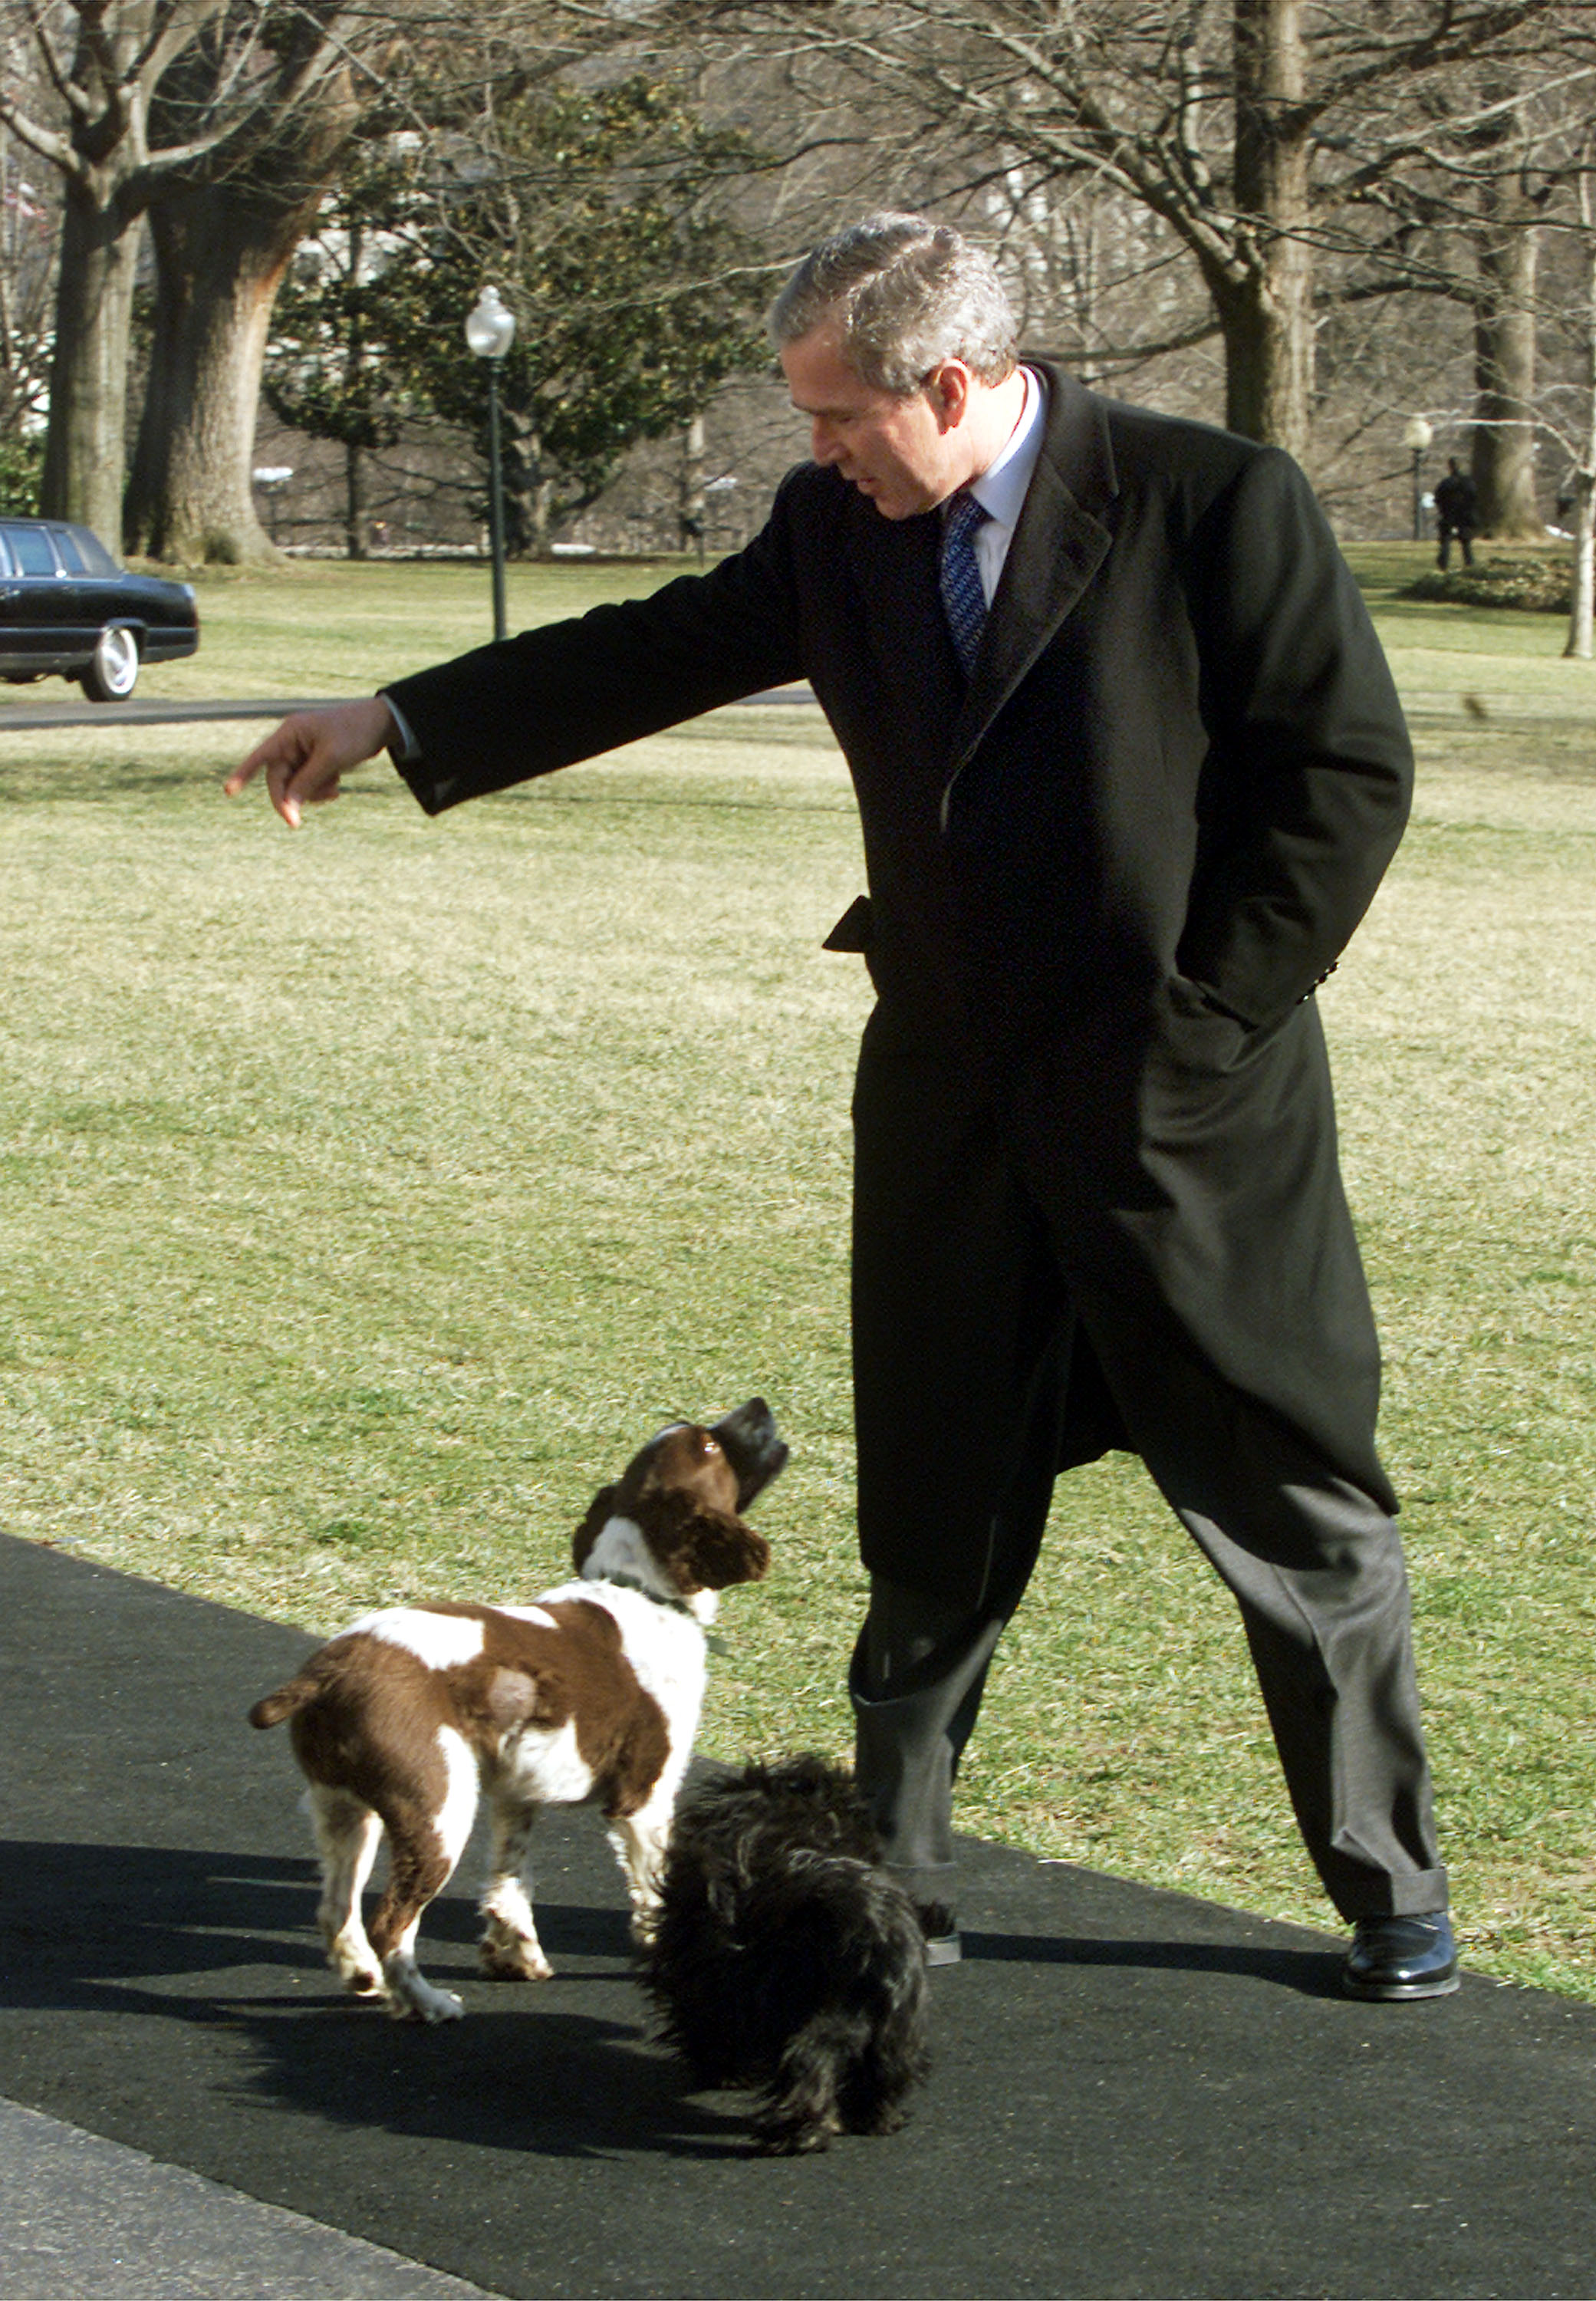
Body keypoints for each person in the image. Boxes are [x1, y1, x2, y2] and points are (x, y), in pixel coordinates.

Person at [227, 213, 1456, 2002]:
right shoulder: (840, 527)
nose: (813, 456)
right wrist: (399, 717)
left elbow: (1343, 776)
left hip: (1188, 1127)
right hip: (951, 1113)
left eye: (834, 420)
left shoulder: (1214, 502)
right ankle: (901, 1883)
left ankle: (1390, 1889)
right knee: (935, 1526)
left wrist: (1202, 1022)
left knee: (1294, 1509)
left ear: (948, 386)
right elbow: (659, 645)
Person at [1433, 459, 1478, 569]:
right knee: (1466, 543)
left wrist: (1443, 511)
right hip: (1465, 515)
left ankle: (1443, 564)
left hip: (1449, 515)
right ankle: (1469, 564)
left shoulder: (1446, 483)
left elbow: (1438, 499)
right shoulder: (1469, 483)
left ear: (1450, 467)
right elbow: (1474, 498)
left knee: (1446, 542)